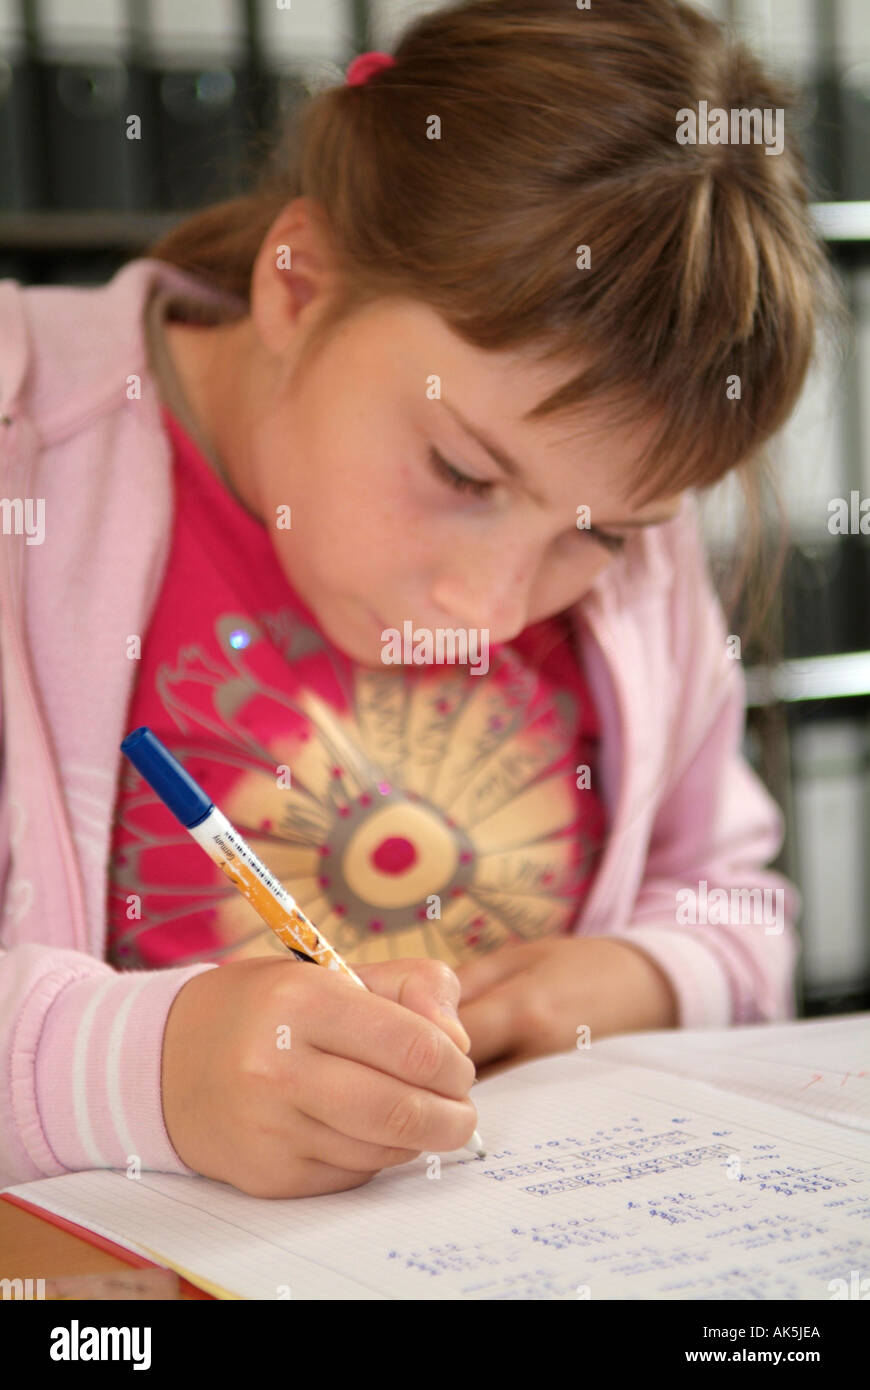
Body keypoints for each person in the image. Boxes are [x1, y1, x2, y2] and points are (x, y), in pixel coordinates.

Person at [0, 0, 839, 1198]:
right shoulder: (27, 455)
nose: (489, 609)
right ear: (297, 286)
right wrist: (149, 1077)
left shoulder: (627, 527)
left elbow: (739, 902)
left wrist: (637, 981)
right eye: (461, 471)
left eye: (598, 534)